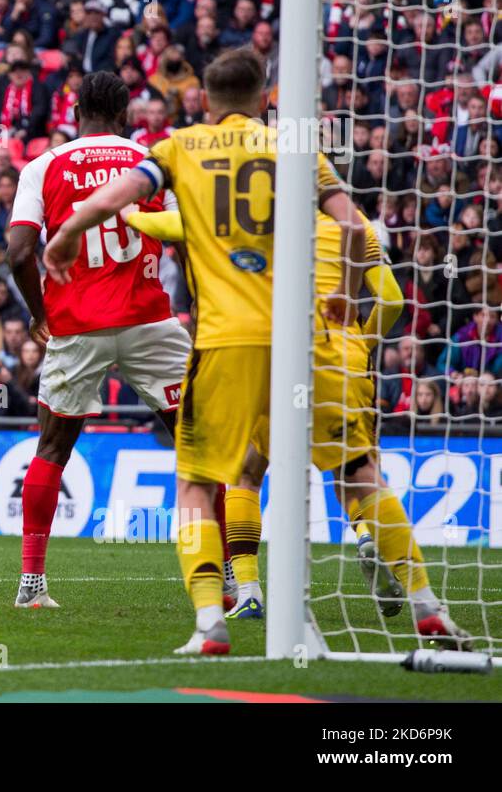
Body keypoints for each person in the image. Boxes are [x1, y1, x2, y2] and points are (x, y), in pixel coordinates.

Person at [41, 48, 369, 655]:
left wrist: (65, 236)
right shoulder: (297, 148)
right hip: (310, 341)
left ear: (206, 101)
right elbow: (357, 231)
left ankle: (211, 619)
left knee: (204, 475)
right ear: (265, 96)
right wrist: (348, 301)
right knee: (350, 472)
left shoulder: (176, 150)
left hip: (216, 341)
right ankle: (412, 595)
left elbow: (126, 209)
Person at [129, 204, 472, 647]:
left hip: (260, 355)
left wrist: (124, 209)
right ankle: (416, 594)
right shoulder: (355, 225)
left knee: (244, 475)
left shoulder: (242, 216)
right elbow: (391, 301)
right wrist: (361, 339)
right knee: (357, 474)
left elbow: (176, 223)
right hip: (337, 358)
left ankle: (241, 595)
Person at [4, 72, 190, 609]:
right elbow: (187, 239)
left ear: (76, 110)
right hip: (150, 322)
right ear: (126, 113)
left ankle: (33, 585)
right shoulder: (153, 160)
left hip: (75, 325)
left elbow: (19, 252)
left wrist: (41, 314)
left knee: (53, 449)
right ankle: (226, 579)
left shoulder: (43, 166)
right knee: (198, 446)